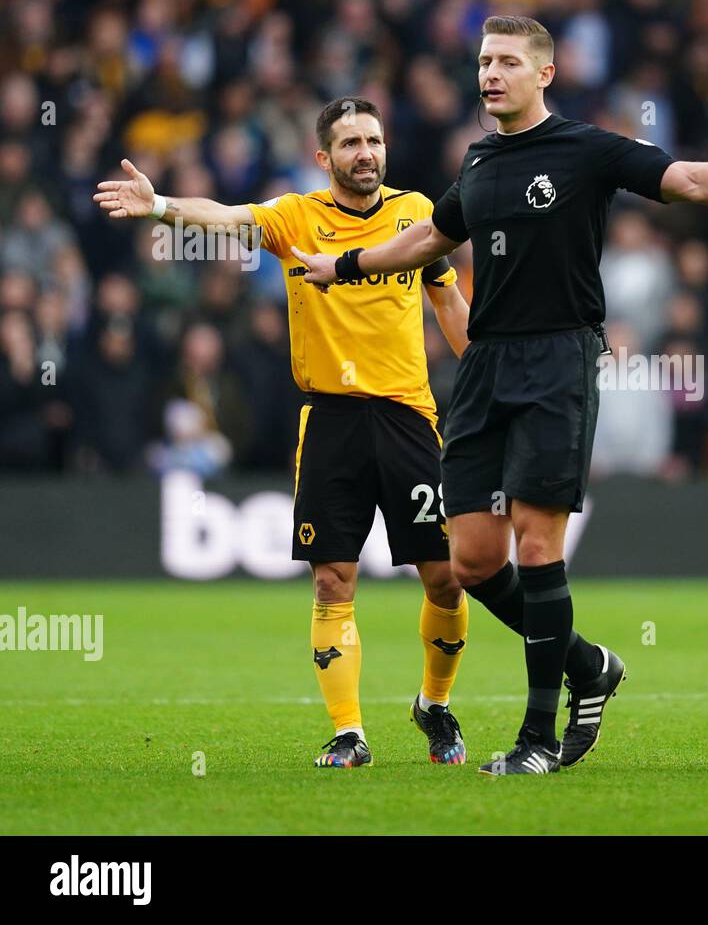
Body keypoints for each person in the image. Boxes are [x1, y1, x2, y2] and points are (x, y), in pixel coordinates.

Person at [295, 15, 708, 774]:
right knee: (473, 562)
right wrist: (346, 267)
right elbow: (425, 241)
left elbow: (685, 179)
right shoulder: (477, 162)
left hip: (559, 360)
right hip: (484, 366)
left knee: (539, 546)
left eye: (508, 61)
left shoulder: (588, 149)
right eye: (484, 61)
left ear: (543, 74)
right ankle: (590, 665)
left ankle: (537, 741)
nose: (490, 73)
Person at [94, 96, 474, 770]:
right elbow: (224, 216)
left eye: (375, 140)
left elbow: (446, 298)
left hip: (408, 415)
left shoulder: (418, 213)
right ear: (324, 157)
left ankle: (435, 706)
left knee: (444, 577)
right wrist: (159, 206)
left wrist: (483, 374)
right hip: (329, 419)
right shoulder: (294, 216)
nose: (367, 152)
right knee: (333, 580)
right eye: (352, 143)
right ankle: (349, 732)